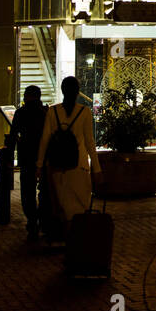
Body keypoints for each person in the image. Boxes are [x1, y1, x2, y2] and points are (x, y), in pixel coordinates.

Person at [37, 77, 101, 240]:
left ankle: (67, 237)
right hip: (79, 165)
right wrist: (97, 167)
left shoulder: (52, 111)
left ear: (62, 90)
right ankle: (77, 240)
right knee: (81, 204)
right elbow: (89, 142)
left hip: (58, 165)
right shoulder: (84, 111)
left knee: (63, 205)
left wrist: (40, 164)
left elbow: (45, 139)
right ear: (77, 92)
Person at [8, 86, 48, 243]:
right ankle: (42, 219)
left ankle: (32, 222)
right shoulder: (45, 113)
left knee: (27, 193)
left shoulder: (21, 113)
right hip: (43, 157)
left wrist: (9, 157)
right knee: (44, 191)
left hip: (26, 157)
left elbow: (13, 135)